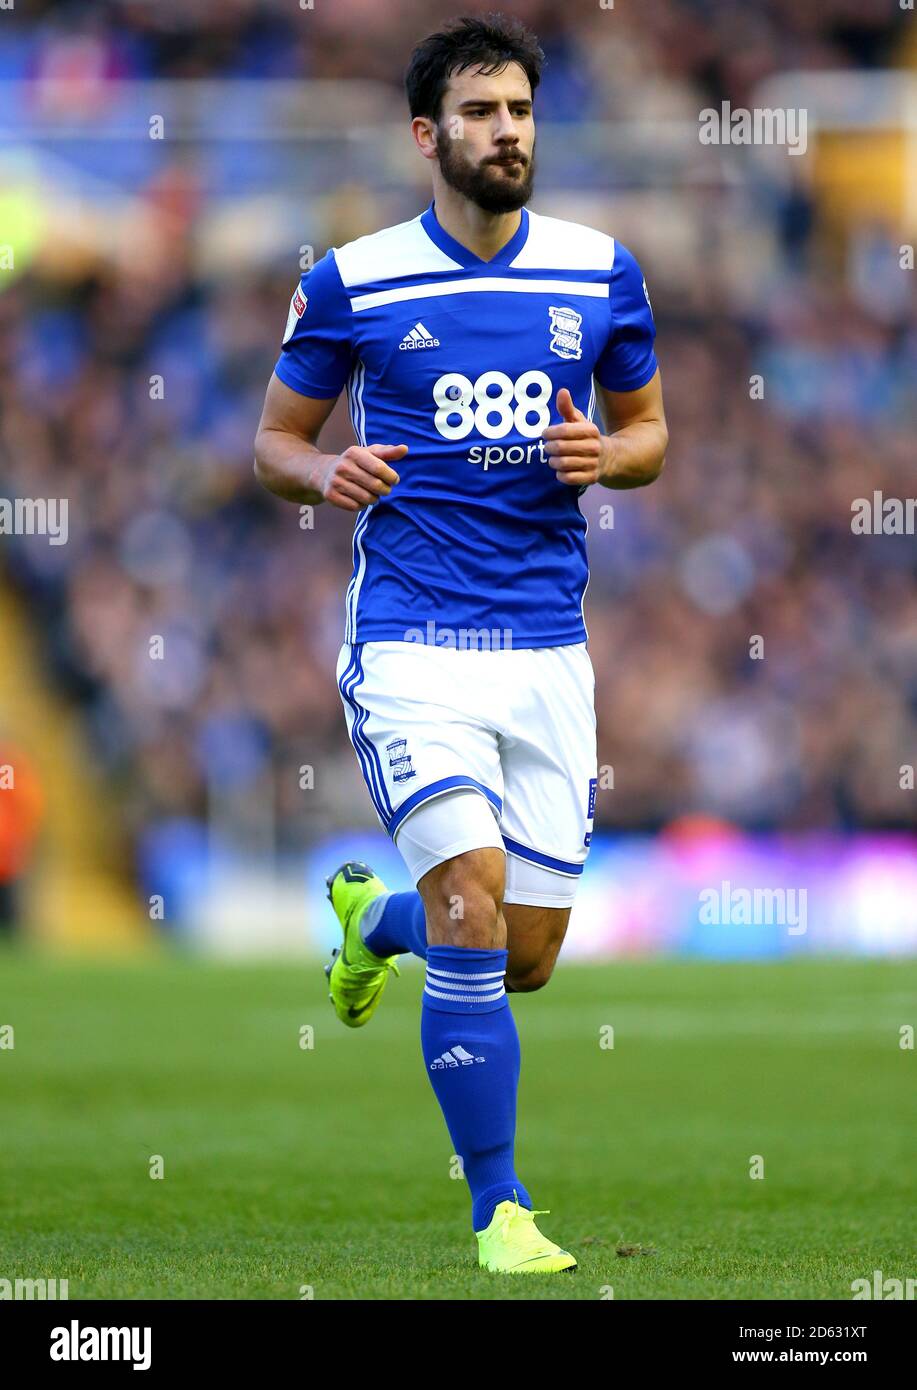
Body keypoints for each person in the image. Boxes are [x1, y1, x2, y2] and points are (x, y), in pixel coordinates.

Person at [254, 12, 667, 1274]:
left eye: (522, 112)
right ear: (427, 135)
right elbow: (272, 443)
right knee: (476, 911)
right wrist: (323, 469)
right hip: (412, 643)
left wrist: (611, 455)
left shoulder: (600, 269)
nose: (507, 133)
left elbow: (650, 432)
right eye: (481, 114)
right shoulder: (355, 278)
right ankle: (498, 1207)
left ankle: (373, 923)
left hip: (546, 648)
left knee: (523, 956)